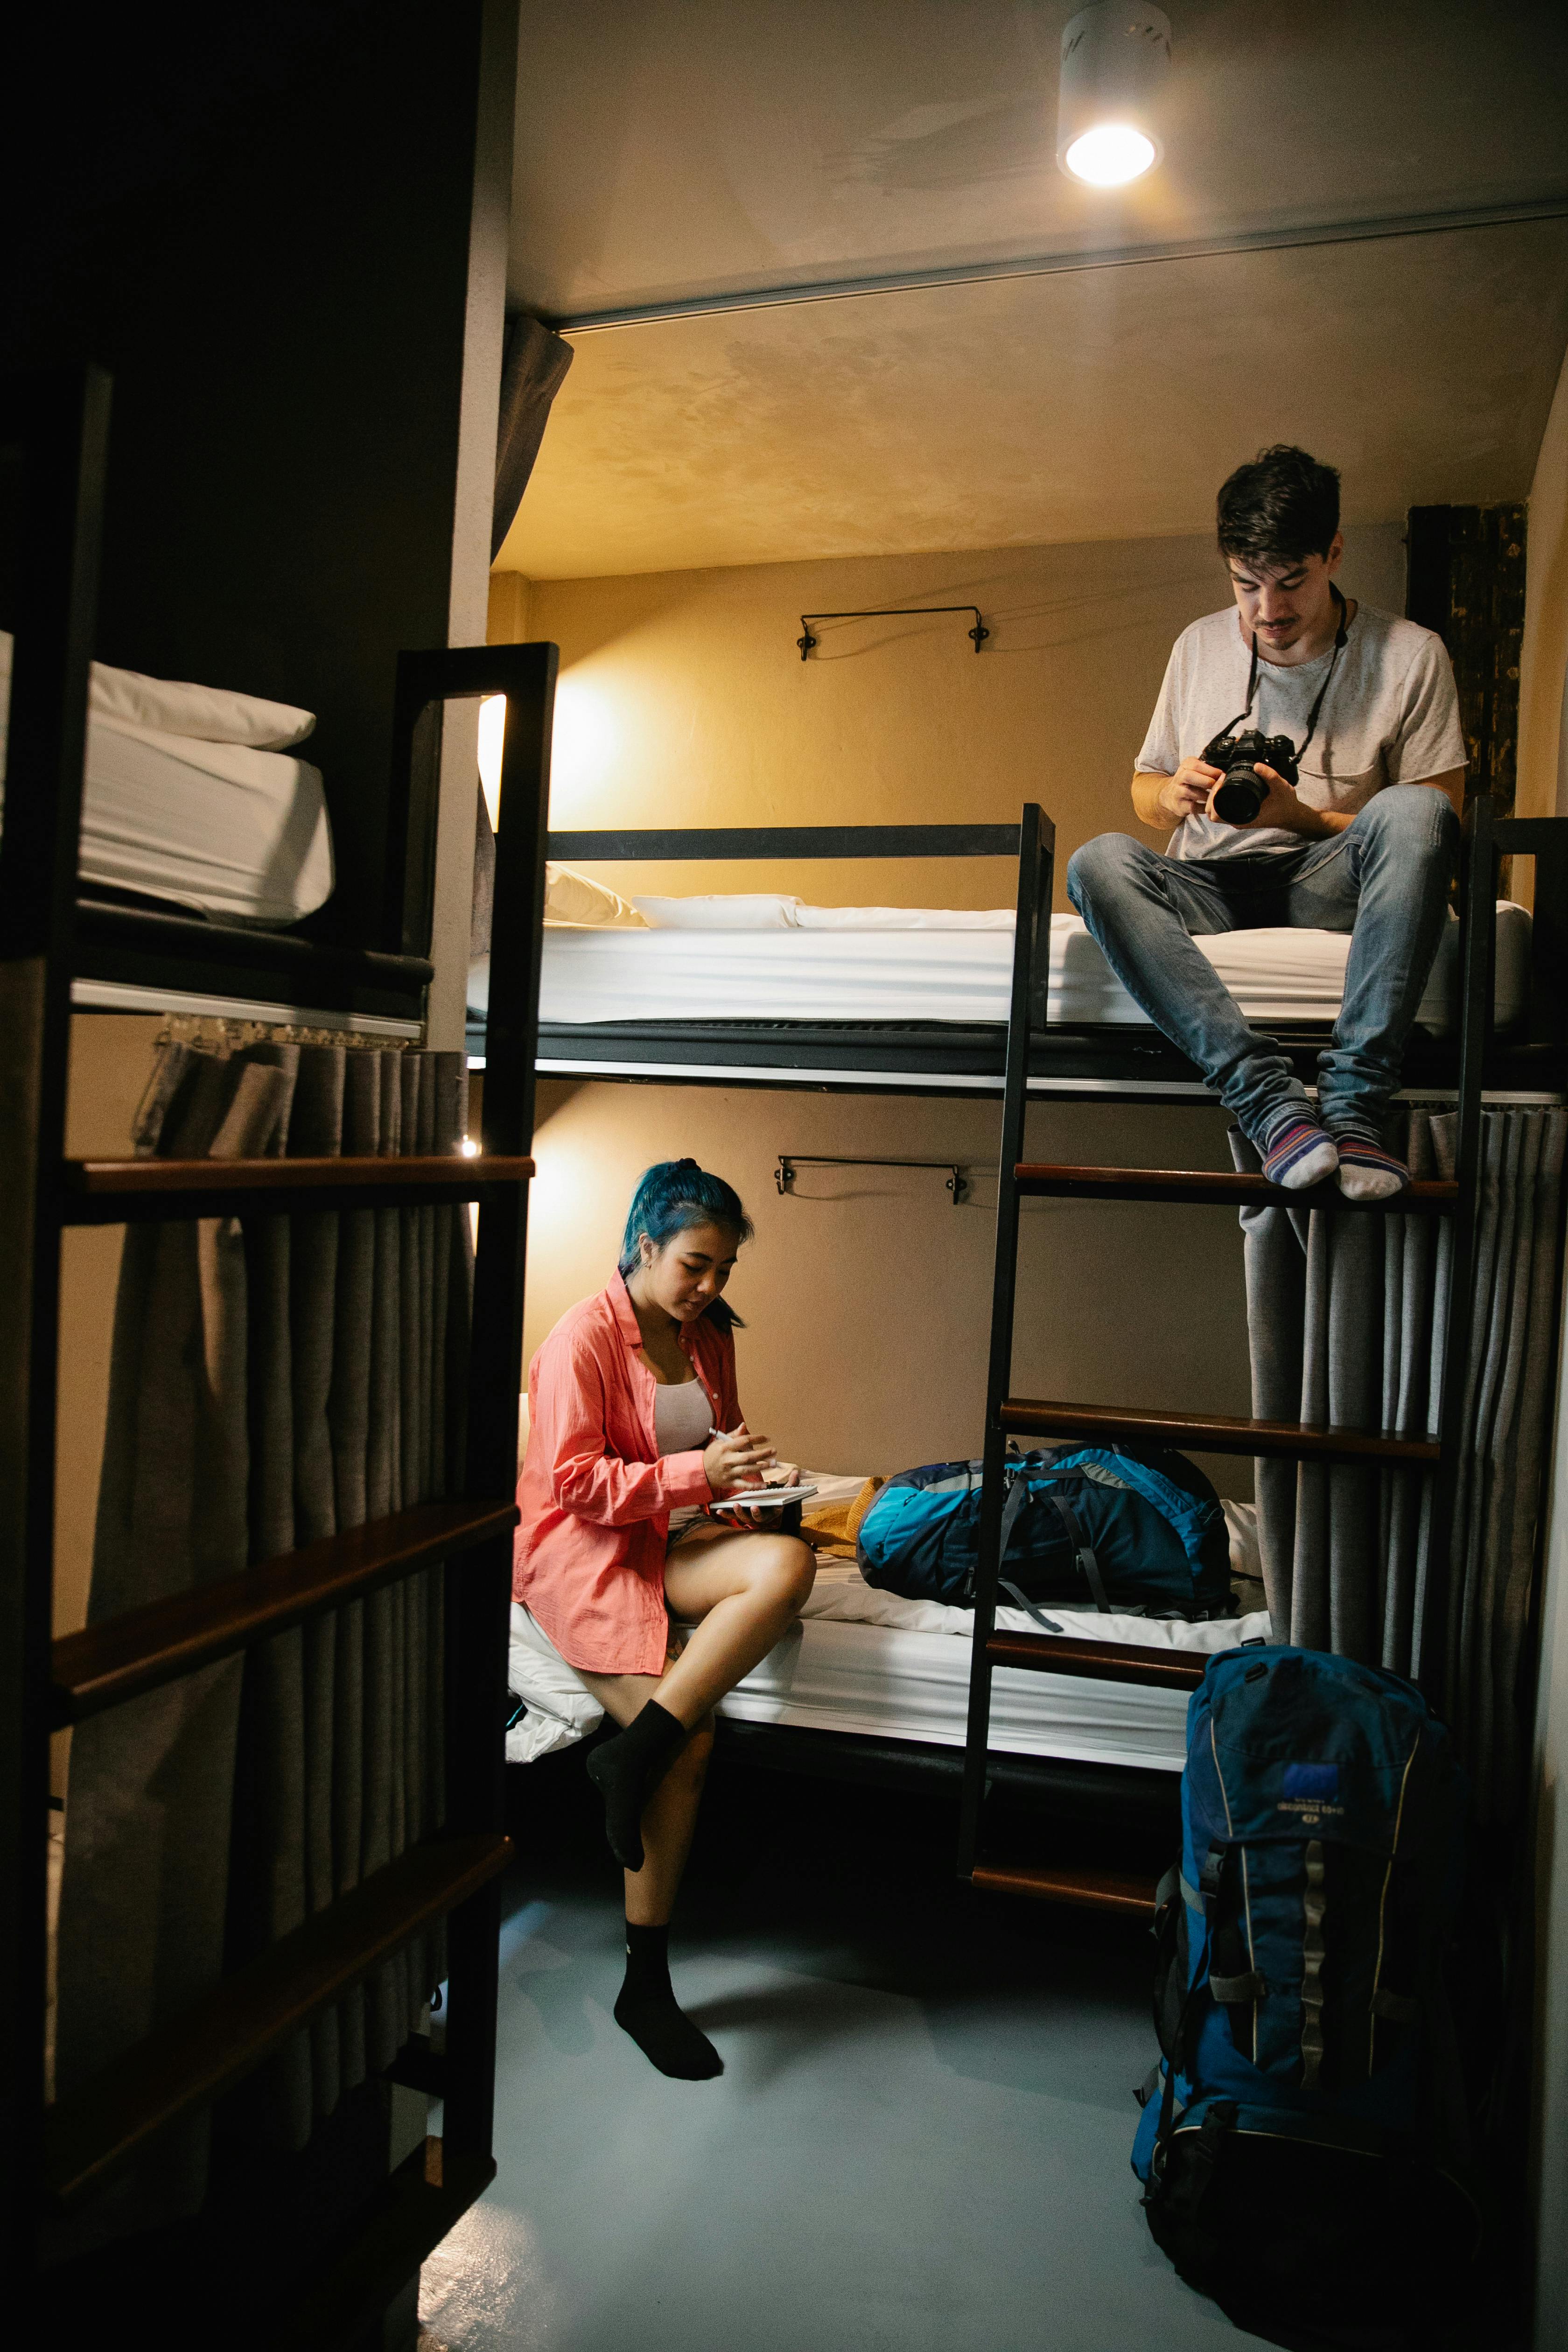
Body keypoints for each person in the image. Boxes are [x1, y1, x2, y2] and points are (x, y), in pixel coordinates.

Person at [1067, 444, 1467, 1200]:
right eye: (1246, 585)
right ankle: (1270, 1102)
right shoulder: (1196, 645)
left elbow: (1443, 823)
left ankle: (1354, 1108)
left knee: (1414, 808)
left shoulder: (1413, 656)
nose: (1268, 611)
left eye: (1292, 582)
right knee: (1097, 862)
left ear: (1334, 553)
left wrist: (1304, 817)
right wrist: (1172, 794)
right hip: (1207, 879)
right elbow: (1142, 789)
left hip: (1330, 878)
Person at [514, 1158, 816, 2080]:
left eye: (723, 1269)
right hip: (587, 1554)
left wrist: (751, 1485)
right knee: (693, 1748)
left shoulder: (709, 1332)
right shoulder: (582, 1340)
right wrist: (696, 1478)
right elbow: (573, 1483)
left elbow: (714, 1437)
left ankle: (628, 1750)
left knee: (789, 1563)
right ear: (644, 1245)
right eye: (695, 1265)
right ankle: (645, 1983)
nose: (710, 1287)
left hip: (673, 1538)